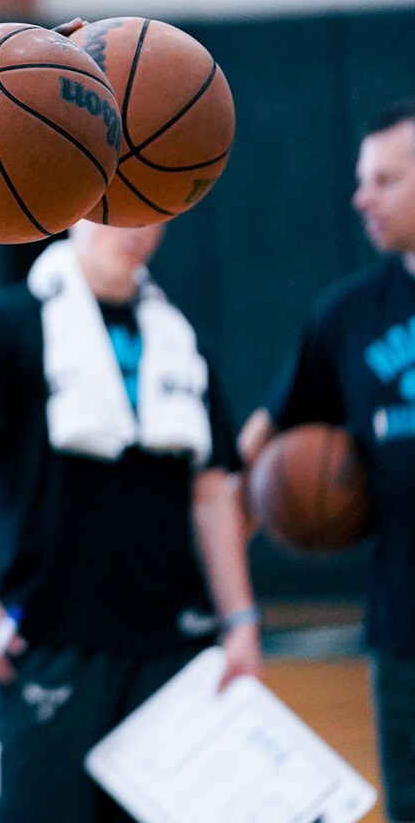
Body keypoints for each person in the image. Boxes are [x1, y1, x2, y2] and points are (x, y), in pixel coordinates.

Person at [0, 220, 261, 823]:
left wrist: (240, 619)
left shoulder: (184, 342)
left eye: (151, 210)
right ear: (74, 212)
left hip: (171, 647)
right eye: (116, 209)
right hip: (45, 641)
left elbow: (212, 493)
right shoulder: (3, 324)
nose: (137, 228)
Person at [240, 99, 415, 823]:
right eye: (360, 178)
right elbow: (262, 443)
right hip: (407, 627)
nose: (360, 196)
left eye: (384, 179)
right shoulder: (348, 315)